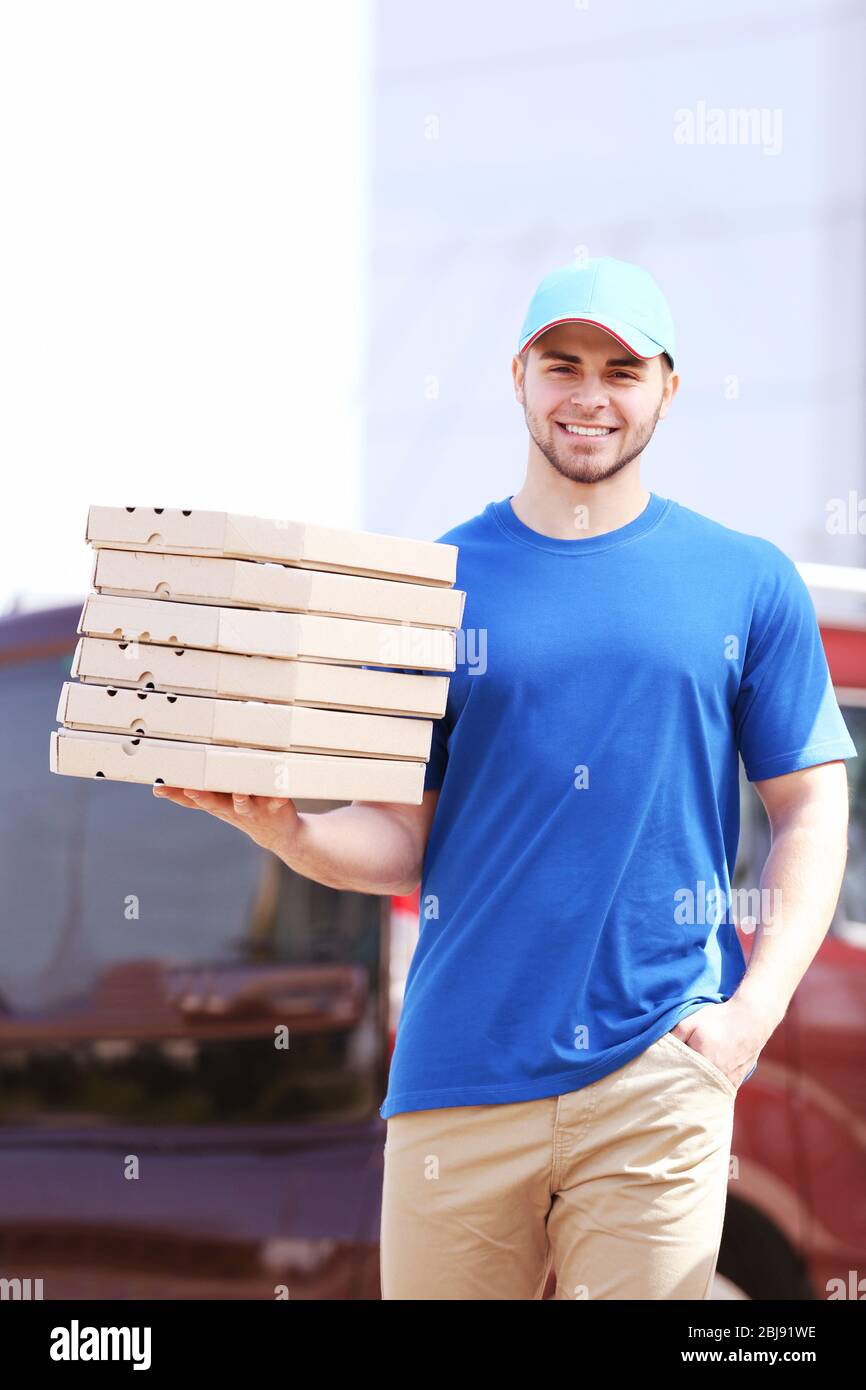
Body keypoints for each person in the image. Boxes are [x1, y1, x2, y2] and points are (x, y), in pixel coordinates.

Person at [153, 256, 858, 1300]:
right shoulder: (434, 585)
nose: (588, 394)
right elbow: (403, 833)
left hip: (655, 1069)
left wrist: (746, 1017)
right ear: (518, 374)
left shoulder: (743, 579)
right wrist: (292, 835)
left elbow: (808, 805)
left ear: (667, 386)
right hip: (458, 1074)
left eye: (621, 369)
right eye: (562, 363)